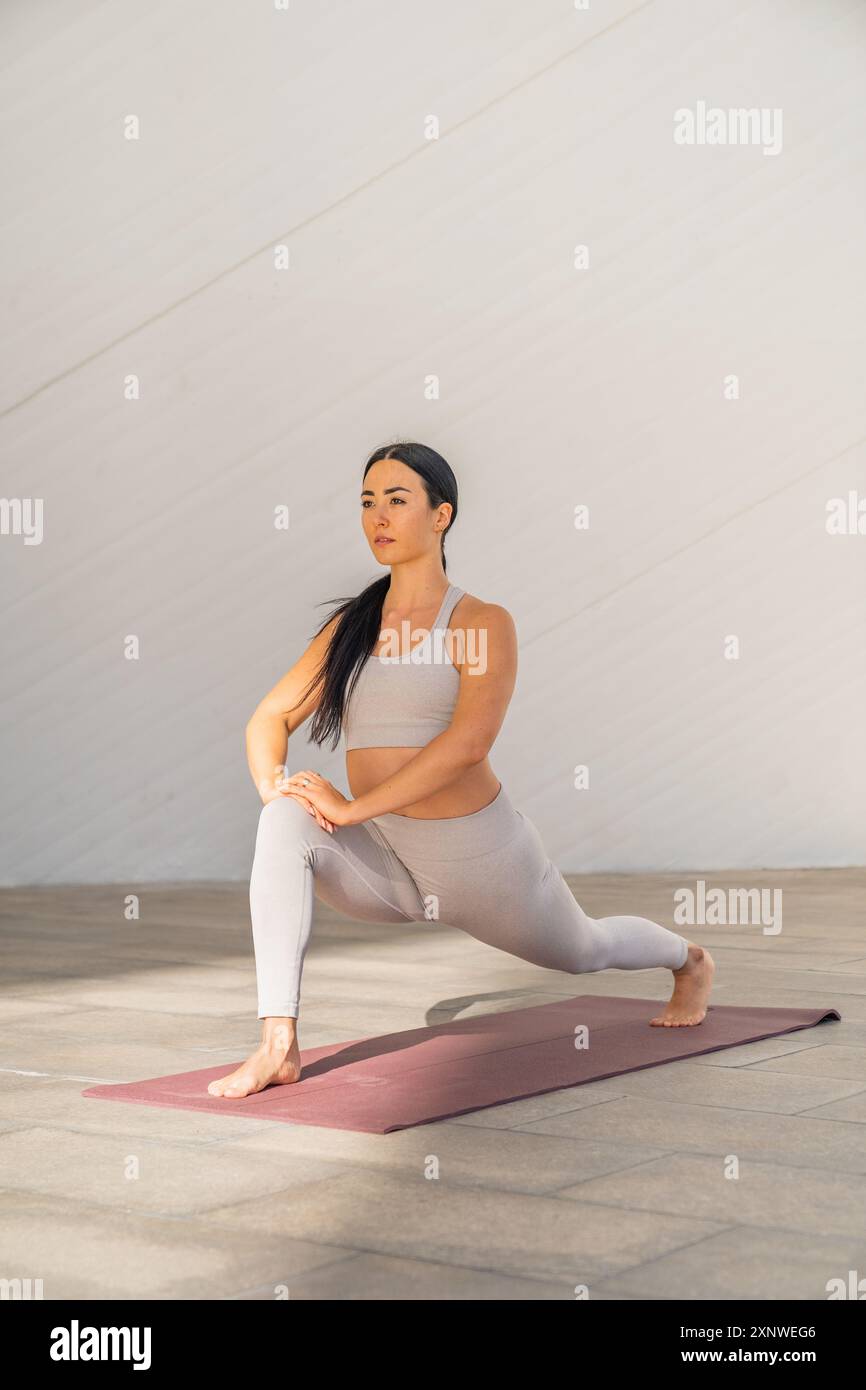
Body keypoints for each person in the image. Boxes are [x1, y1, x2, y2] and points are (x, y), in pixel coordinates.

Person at [208, 442, 714, 1099]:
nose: (377, 517)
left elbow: (468, 744)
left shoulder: (480, 622)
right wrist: (280, 792)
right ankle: (278, 1043)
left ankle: (690, 961)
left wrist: (351, 808)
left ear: (441, 515)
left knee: (585, 950)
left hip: (484, 863)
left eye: (397, 500)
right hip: (391, 867)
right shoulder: (351, 629)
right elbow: (267, 719)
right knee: (280, 819)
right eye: (367, 502)